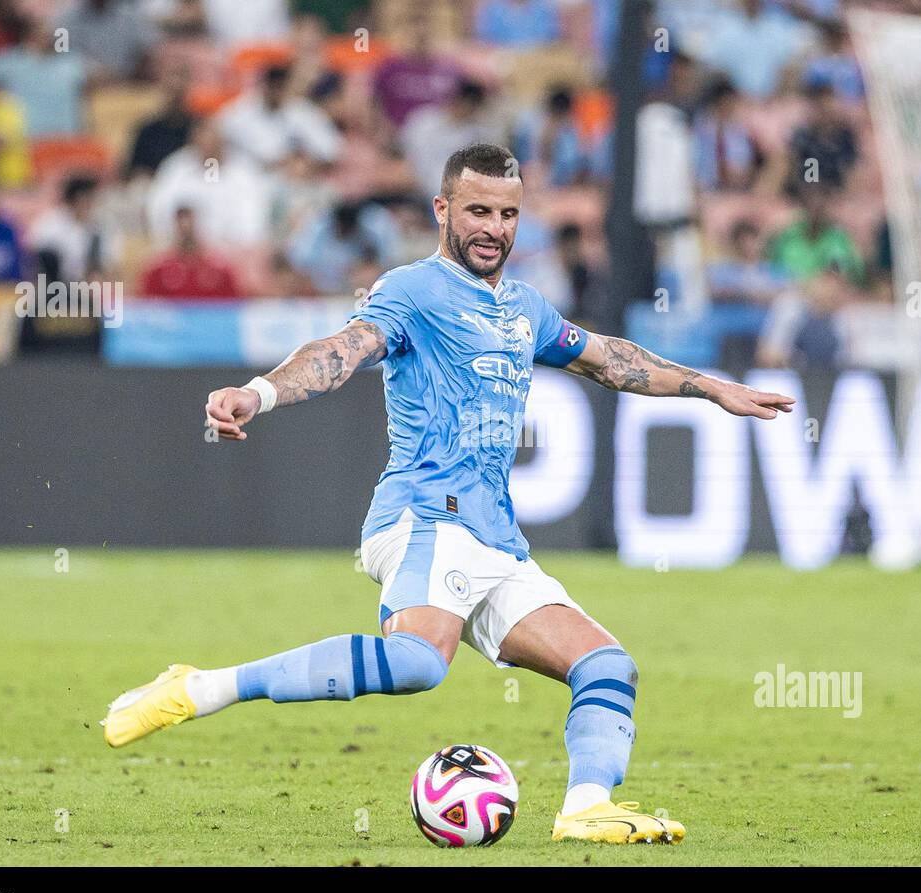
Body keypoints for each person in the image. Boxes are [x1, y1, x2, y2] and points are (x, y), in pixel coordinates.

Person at [101, 144, 796, 844]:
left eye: (508, 214)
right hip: (426, 513)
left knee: (607, 667)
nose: (494, 228)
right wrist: (260, 392)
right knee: (417, 663)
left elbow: (610, 359)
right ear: (443, 210)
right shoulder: (414, 290)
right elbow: (342, 351)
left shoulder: (525, 308)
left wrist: (712, 388)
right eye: (478, 211)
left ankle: (586, 808)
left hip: (495, 538)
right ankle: (198, 688)